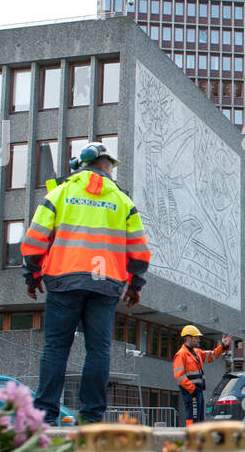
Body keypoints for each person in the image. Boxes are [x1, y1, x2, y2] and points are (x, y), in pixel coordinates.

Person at [23, 142, 151, 424]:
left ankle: (45, 415)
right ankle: (91, 416)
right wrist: (135, 286)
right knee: (99, 349)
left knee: (56, 347)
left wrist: (31, 275)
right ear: (104, 165)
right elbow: (139, 252)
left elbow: (35, 239)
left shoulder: (60, 193)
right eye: (111, 167)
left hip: (63, 279)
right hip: (105, 283)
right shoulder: (122, 201)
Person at [173, 326, 233, 425]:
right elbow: (179, 376)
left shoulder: (196, 352)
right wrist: (192, 389)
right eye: (196, 337)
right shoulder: (181, 354)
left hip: (197, 391)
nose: (199, 340)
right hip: (191, 392)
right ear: (188, 338)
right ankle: (192, 437)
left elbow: (212, 355)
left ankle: (197, 437)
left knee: (199, 418)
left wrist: (222, 346)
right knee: (193, 417)